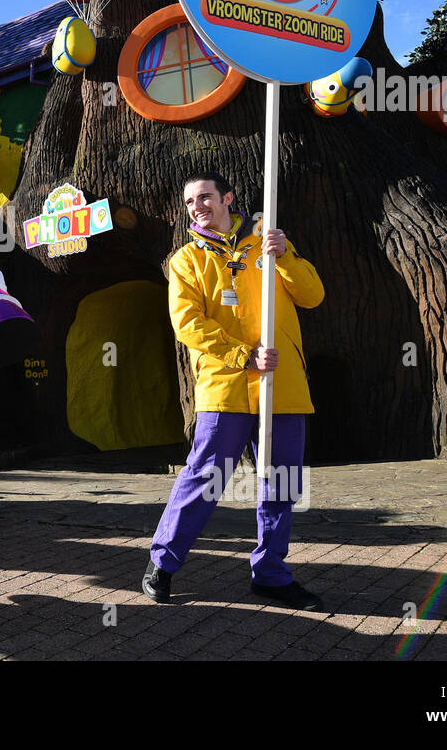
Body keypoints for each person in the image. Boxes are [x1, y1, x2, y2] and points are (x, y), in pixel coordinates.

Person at [143, 172, 327, 611]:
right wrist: (244, 355)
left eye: (204, 196)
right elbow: (187, 324)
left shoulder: (268, 241)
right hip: (225, 387)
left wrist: (284, 257)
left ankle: (271, 574)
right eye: (189, 202)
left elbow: (313, 295)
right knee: (203, 479)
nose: (197, 206)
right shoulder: (186, 261)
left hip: (282, 386)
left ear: (227, 197)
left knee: (280, 484)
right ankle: (162, 564)